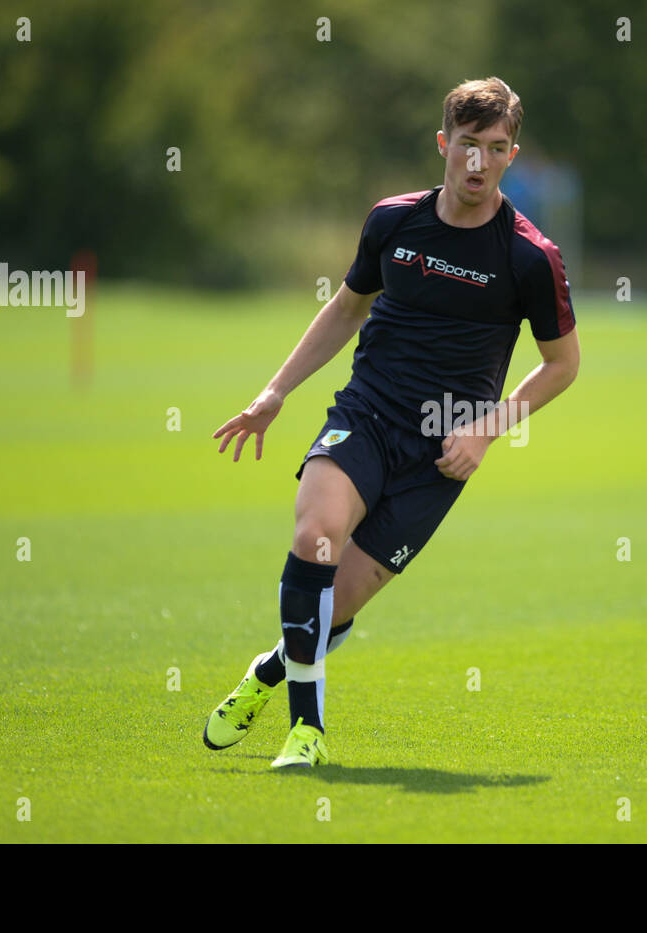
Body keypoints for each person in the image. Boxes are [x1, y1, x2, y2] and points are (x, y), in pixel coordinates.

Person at [204, 76, 579, 768]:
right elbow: (347, 309)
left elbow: (563, 364)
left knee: (335, 605)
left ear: (511, 156)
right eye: (468, 144)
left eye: (495, 149)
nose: (479, 162)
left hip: (442, 453)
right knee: (315, 536)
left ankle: (267, 674)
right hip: (366, 415)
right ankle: (306, 732)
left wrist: (487, 429)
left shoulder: (531, 257)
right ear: (444, 143)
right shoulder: (392, 222)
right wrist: (274, 392)